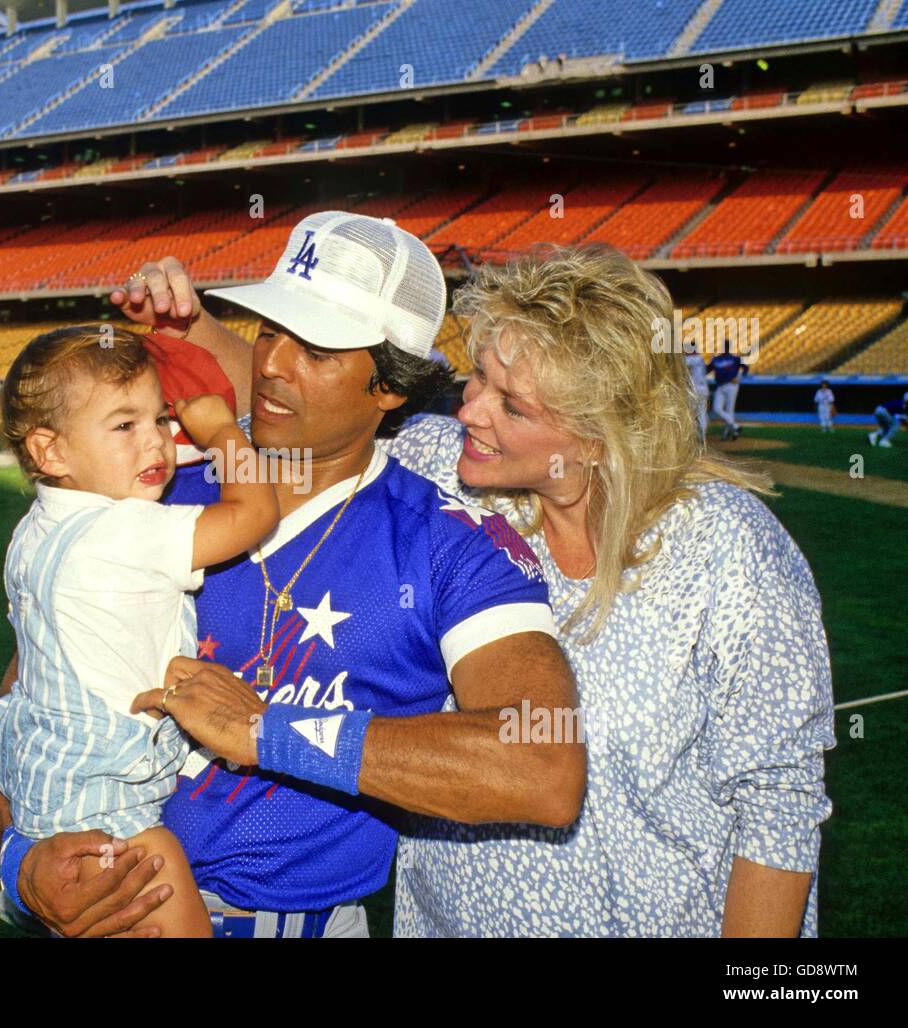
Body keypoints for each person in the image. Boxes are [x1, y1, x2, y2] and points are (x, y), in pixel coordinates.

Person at [96, 242, 834, 938]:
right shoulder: (445, 461)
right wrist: (197, 328)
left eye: (513, 405)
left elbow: (780, 809)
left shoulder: (726, 550)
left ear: (600, 437)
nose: (470, 411)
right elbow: (317, 393)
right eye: (477, 377)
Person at [0, 212, 585, 939]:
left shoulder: (447, 542)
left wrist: (267, 731)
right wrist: (20, 860)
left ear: (388, 387)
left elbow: (543, 766)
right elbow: (21, 707)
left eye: (316, 348)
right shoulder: (150, 493)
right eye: (269, 331)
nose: (270, 365)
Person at [0, 325, 278, 936]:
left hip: (44, 790)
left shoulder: (32, 531)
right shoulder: (124, 532)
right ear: (51, 452)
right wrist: (222, 430)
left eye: (160, 419)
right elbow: (255, 513)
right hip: (112, 811)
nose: (160, 442)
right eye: (125, 426)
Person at [709, 337, 744, 441]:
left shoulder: (735, 359)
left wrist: (738, 377)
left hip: (731, 386)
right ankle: (735, 427)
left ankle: (727, 434)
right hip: (721, 386)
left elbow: (745, 368)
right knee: (716, 409)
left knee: (730, 410)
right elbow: (708, 369)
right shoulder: (716, 359)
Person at [684, 337, 709, 441]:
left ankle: (696, 437)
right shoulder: (700, 358)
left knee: (691, 414)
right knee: (701, 413)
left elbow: (682, 365)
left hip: (694, 390)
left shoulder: (692, 359)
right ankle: (702, 437)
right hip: (704, 389)